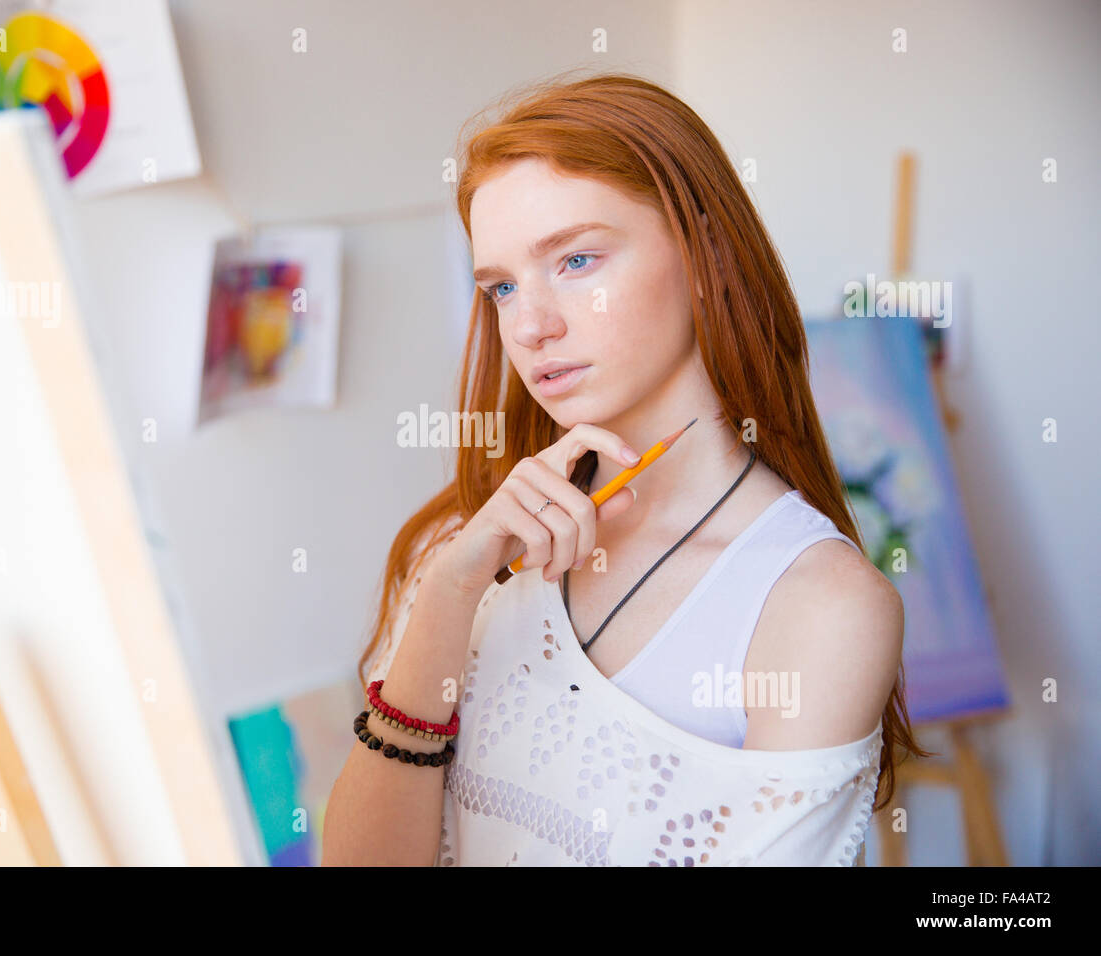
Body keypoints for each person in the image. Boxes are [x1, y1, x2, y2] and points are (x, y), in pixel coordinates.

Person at [323, 70, 929, 867]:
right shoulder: (466, 545)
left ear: (706, 253)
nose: (531, 325)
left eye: (575, 261)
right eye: (501, 286)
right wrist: (445, 595)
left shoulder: (816, 605)